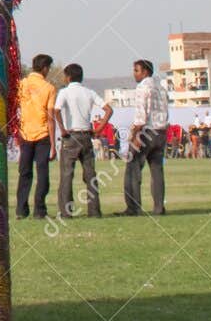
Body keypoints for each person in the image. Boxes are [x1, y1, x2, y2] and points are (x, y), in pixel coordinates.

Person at [54, 63, 111, 219]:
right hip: (86, 136)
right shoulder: (89, 93)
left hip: (70, 137)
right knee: (90, 176)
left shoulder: (64, 92)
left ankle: (66, 212)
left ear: (68, 77)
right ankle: (94, 211)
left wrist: (63, 128)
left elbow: (56, 110)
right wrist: (99, 129)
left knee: (66, 175)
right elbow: (108, 110)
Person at [120, 59, 169, 216]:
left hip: (146, 132)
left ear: (145, 72)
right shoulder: (161, 88)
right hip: (160, 132)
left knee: (132, 170)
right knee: (157, 171)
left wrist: (134, 135)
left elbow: (141, 116)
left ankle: (133, 207)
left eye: (136, 70)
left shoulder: (142, 87)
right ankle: (159, 207)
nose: (134, 73)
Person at [14, 53, 56, 219]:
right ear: (45, 68)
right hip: (42, 135)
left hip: (25, 133)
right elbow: (50, 118)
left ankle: (21, 210)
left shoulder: (22, 84)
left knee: (24, 173)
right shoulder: (49, 88)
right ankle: (40, 210)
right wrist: (53, 145)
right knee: (42, 172)